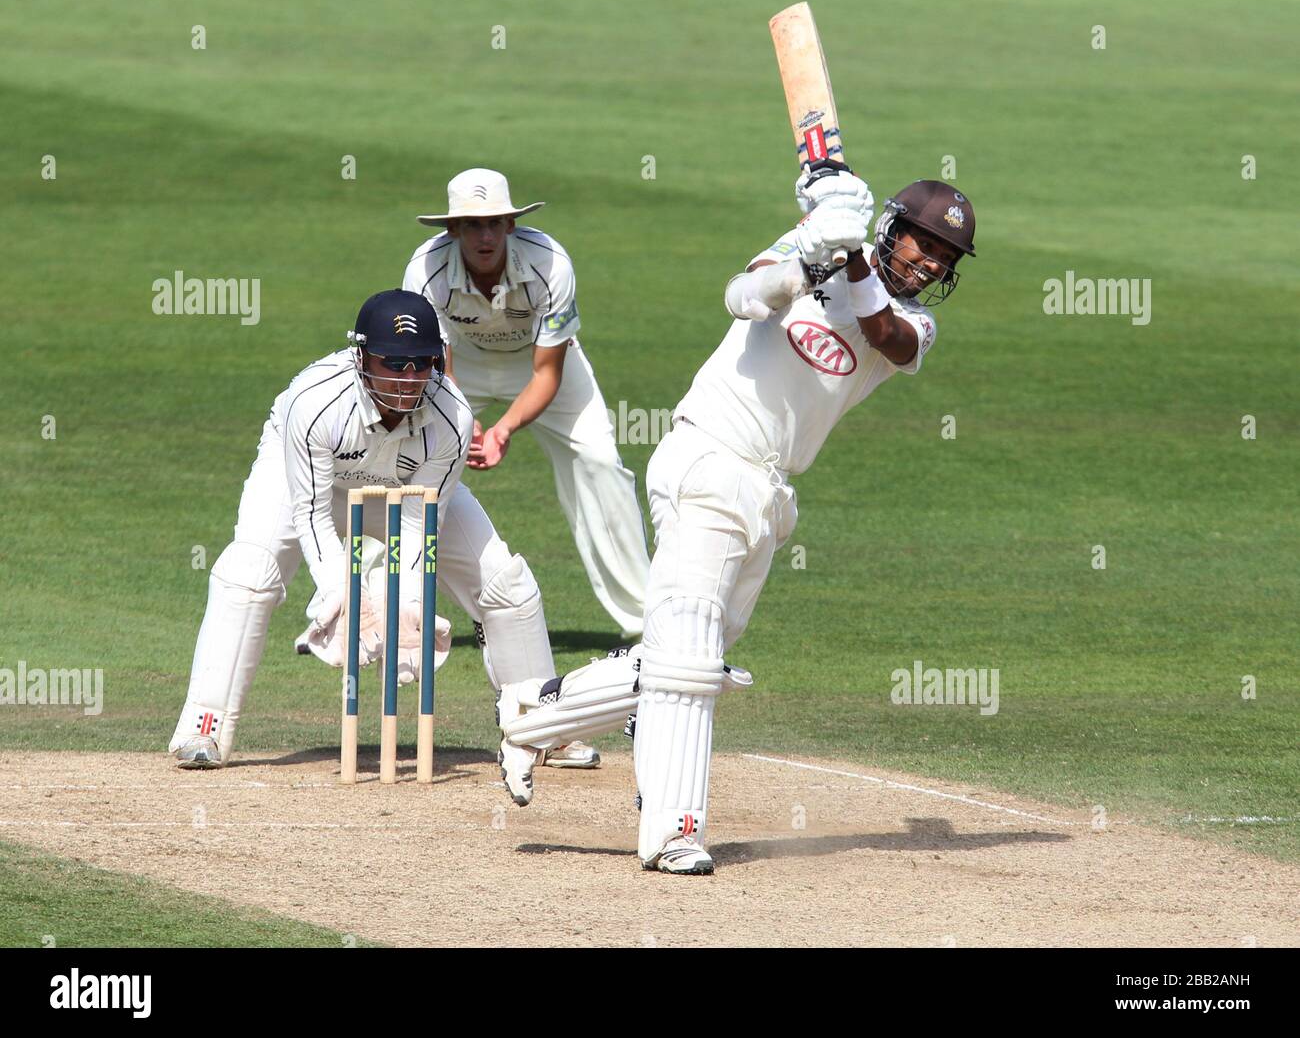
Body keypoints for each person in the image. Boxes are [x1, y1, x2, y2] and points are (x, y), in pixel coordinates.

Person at [492, 173, 977, 873]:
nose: (931, 260)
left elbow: (886, 336)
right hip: (710, 452)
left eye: (945, 256)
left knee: (691, 658)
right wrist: (813, 250)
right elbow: (742, 296)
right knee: (686, 655)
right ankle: (672, 832)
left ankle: (532, 715)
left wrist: (853, 261)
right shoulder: (810, 250)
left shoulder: (916, 321)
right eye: (923, 241)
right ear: (892, 226)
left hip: (770, 489)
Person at [168, 291, 572, 772]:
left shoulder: (451, 415)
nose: (408, 379)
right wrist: (346, 595)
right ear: (361, 357)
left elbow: (422, 521)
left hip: (405, 484)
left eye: (421, 363)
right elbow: (313, 514)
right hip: (306, 478)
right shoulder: (315, 402)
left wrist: (408, 603)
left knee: (506, 585)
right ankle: (205, 726)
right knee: (249, 572)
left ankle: (543, 730)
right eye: (393, 363)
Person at [402, 168, 651, 648]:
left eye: (495, 222)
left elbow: (547, 373)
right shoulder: (425, 270)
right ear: (452, 229)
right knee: (405, 466)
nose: (486, 235)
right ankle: (378, 608)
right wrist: (464, 421)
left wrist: (502, 429)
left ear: (512, 224)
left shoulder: (549, 261)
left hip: (537, 361)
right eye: (473, 225)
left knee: (600, 464)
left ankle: (646, 622)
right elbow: (438, 364)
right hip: (460, 368)